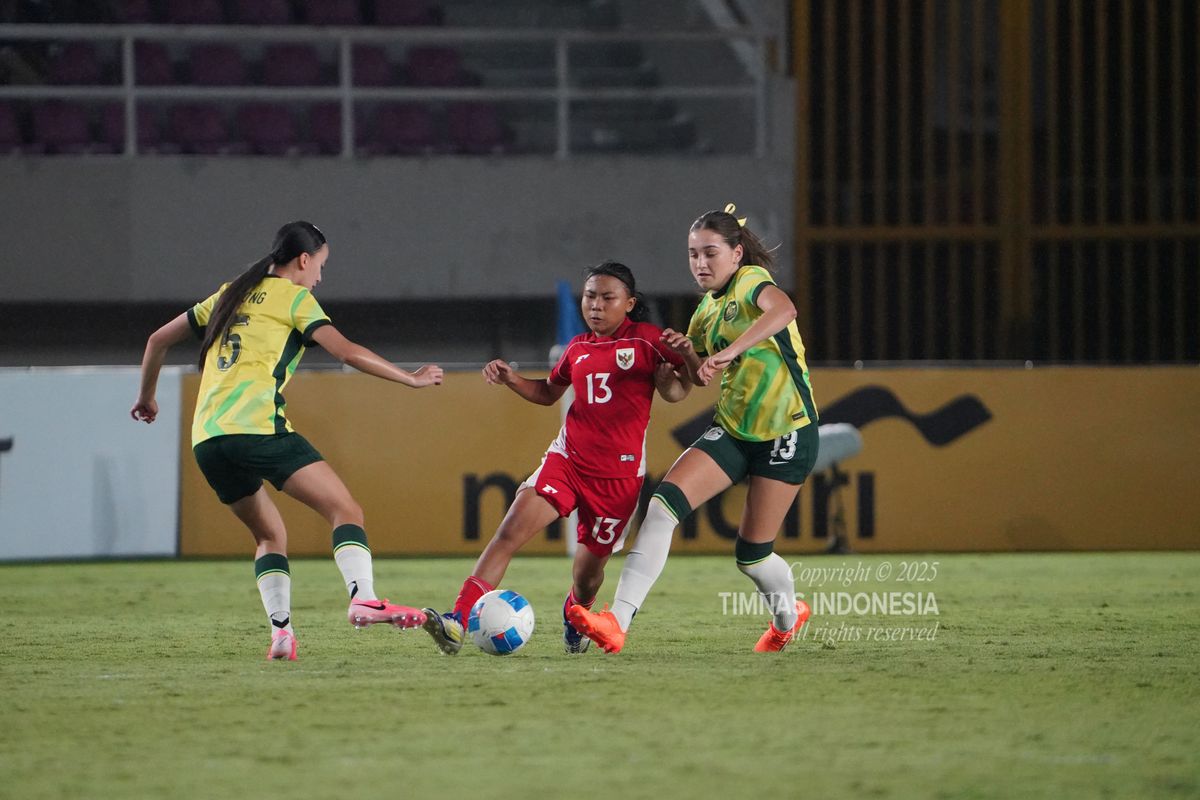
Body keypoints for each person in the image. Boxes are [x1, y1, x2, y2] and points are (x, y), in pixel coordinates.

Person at [131, 221, 443, 661]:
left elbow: (157, 339)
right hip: (256, 428)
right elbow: (346, 351)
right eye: (321, 265)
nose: (320, 276)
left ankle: (281, 635)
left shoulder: (230, 293)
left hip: (208, 439)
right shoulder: (296, 298)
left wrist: (147, 397)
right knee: (345, 510)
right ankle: (364, 597)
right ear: (303, 260)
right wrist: (409, 379)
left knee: (269, 535)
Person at [568, 204, 820, 653]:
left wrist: (729, 352)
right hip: (735, 431)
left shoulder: (750, 282)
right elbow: (682, 390)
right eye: (692, 255)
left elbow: (784, 309)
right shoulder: (704, 313)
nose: (700, 264)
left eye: (710, 253)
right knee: (662, 507)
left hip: (787, 431)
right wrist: (677, 366)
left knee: (752, 556)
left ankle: (787, 617)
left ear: (737, 254)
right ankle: (616, 622)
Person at [421, 262, 691, 655]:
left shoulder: (648, 341)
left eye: (606, 297)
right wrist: (513, 380)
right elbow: (549, 392)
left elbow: (690, 381)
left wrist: (687, 361)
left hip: (617, 479)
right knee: (508, 534)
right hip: (567, 460)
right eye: (590, 296)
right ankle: (457, 621)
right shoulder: (577, 348)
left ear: (629, 303)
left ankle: (574, 615)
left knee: (587, 577)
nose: (595, 305)